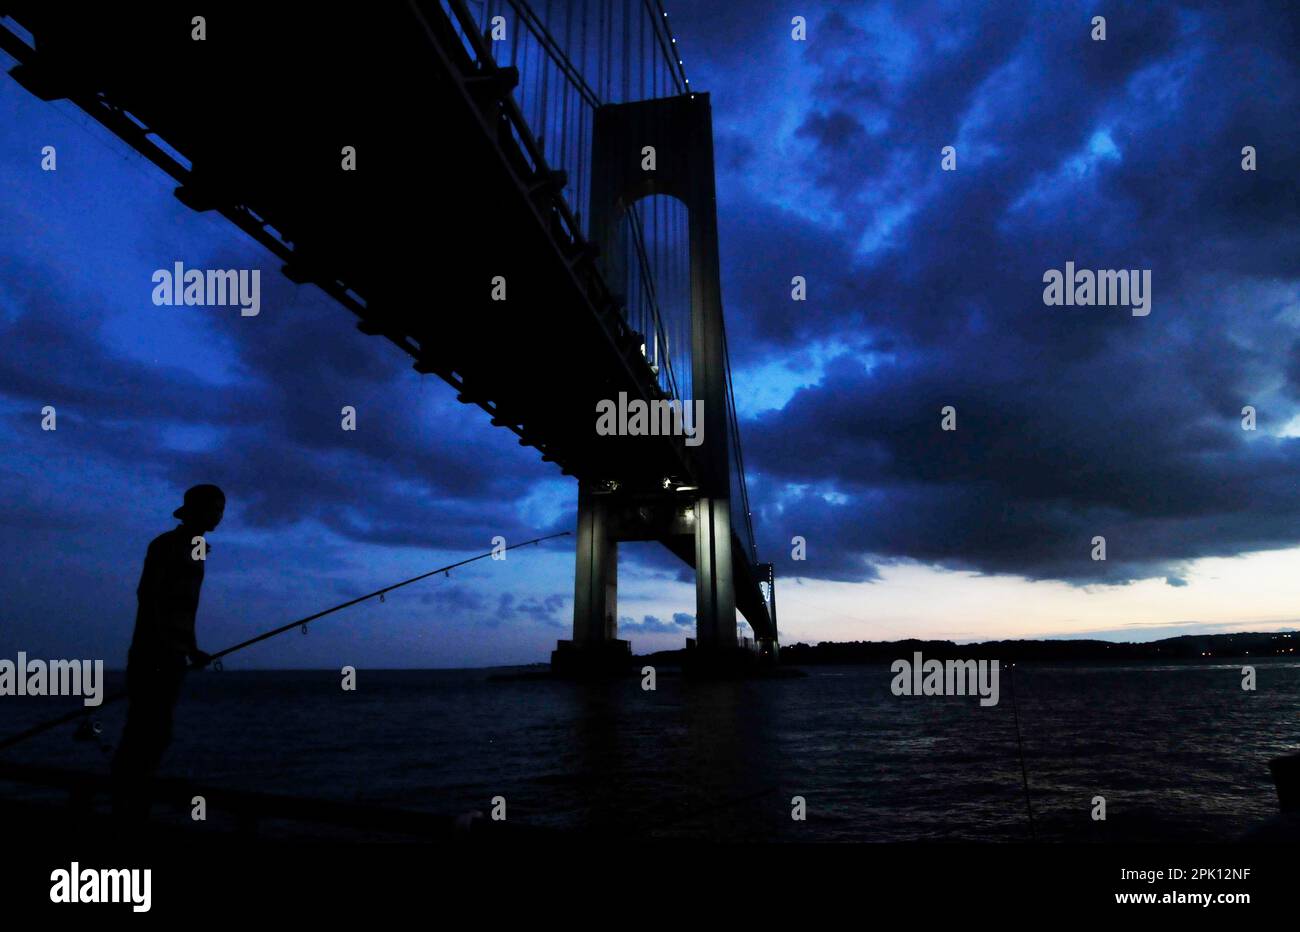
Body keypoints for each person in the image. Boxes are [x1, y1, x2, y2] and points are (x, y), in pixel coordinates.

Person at [110, 484, 224, 822]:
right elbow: (150, 596)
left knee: (156, 731)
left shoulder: (200, 549)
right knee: (146, 729)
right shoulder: (165, 546)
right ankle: (127, 804)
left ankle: (133, 798)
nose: (218, 514)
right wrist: (168, 645)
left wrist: (190, 649)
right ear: (194, 511)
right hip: (154, 655)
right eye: (213, 508)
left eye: (221, 509)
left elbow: (186, 606)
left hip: (172, 654)